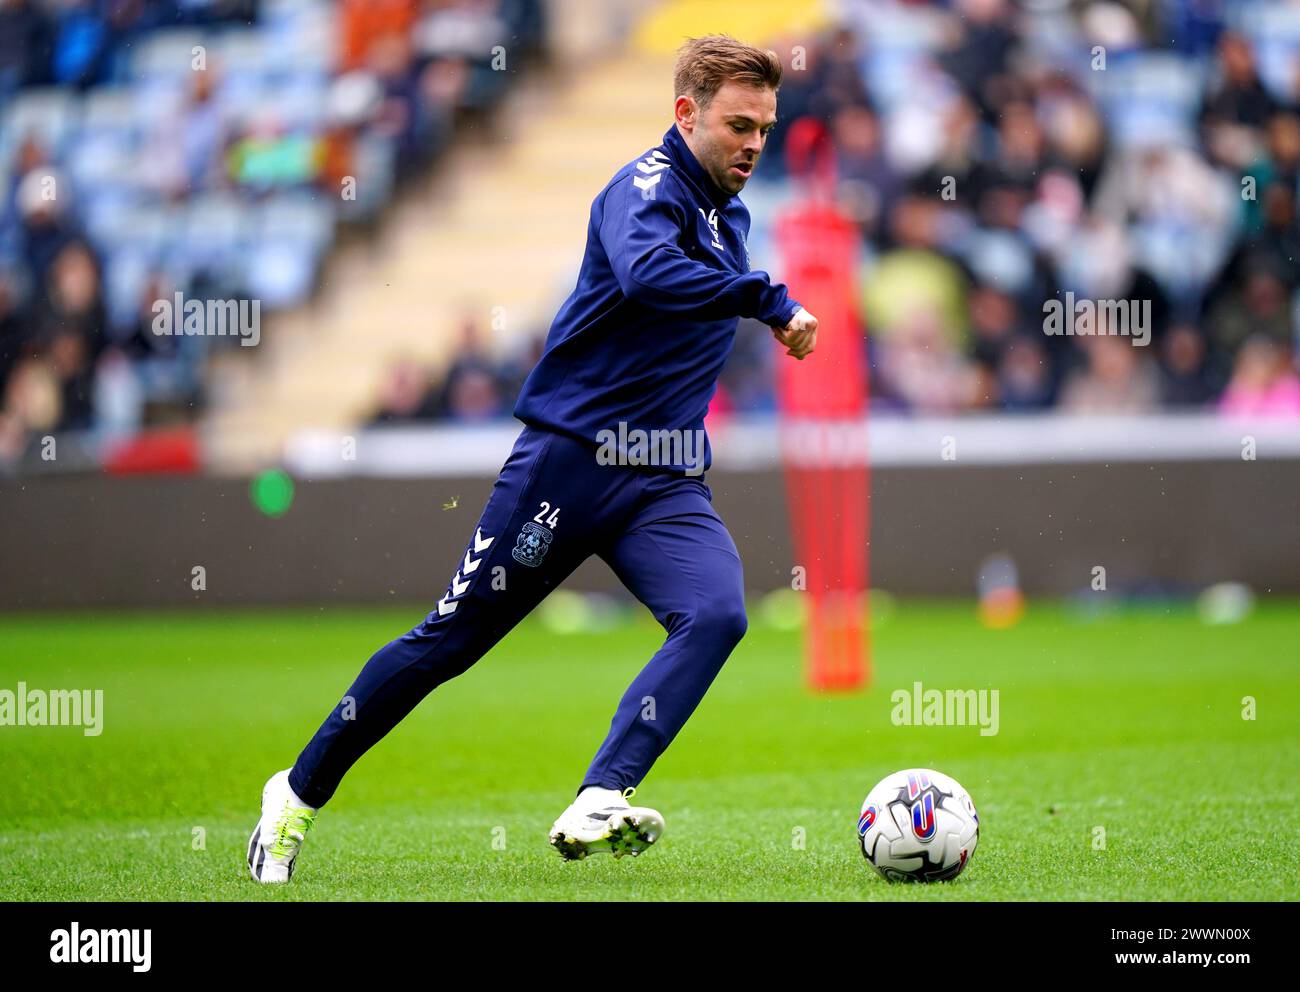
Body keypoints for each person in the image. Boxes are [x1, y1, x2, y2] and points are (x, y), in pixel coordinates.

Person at [248, 34, 818, 882]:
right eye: (739, 125)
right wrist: (764, 297)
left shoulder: (727, 217)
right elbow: (649, 277)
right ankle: (294, 794)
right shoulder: (643, 190)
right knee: (450, 644)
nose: (753, 145)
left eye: (765, 129)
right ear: (685, 114)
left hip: (661, 477)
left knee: (718, 612)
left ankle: (602, 794)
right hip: (569, 466)